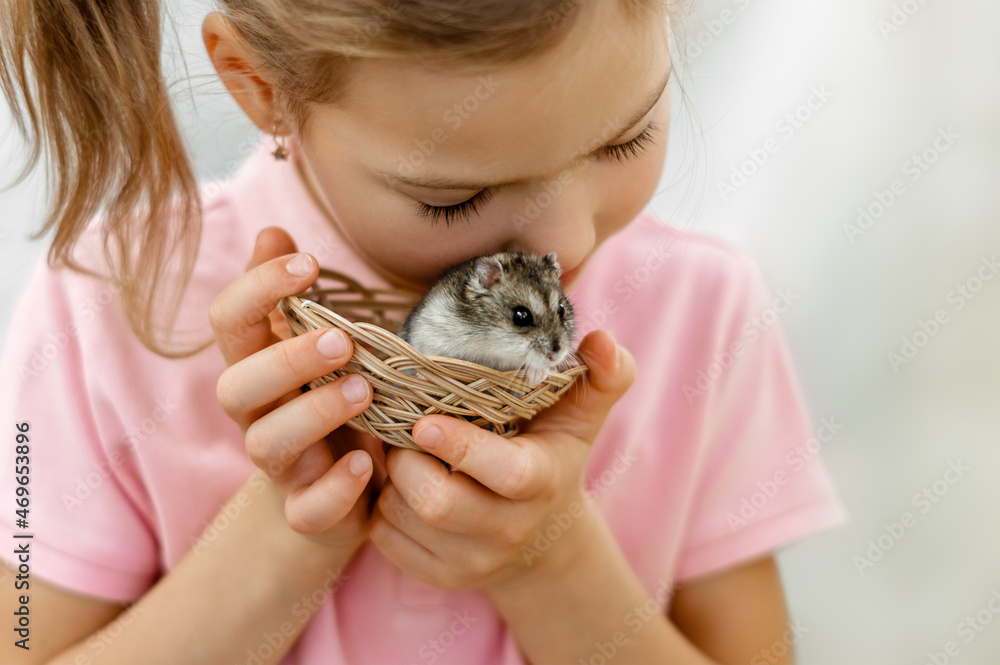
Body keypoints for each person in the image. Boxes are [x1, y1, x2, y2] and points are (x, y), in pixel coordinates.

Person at [0, 1, 848, 663]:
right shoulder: (102, 304)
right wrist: (292, 532)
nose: (570, 246)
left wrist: (550, 563)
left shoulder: (709, 311)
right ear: (258, 85)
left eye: (625, 139)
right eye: (454, 199)